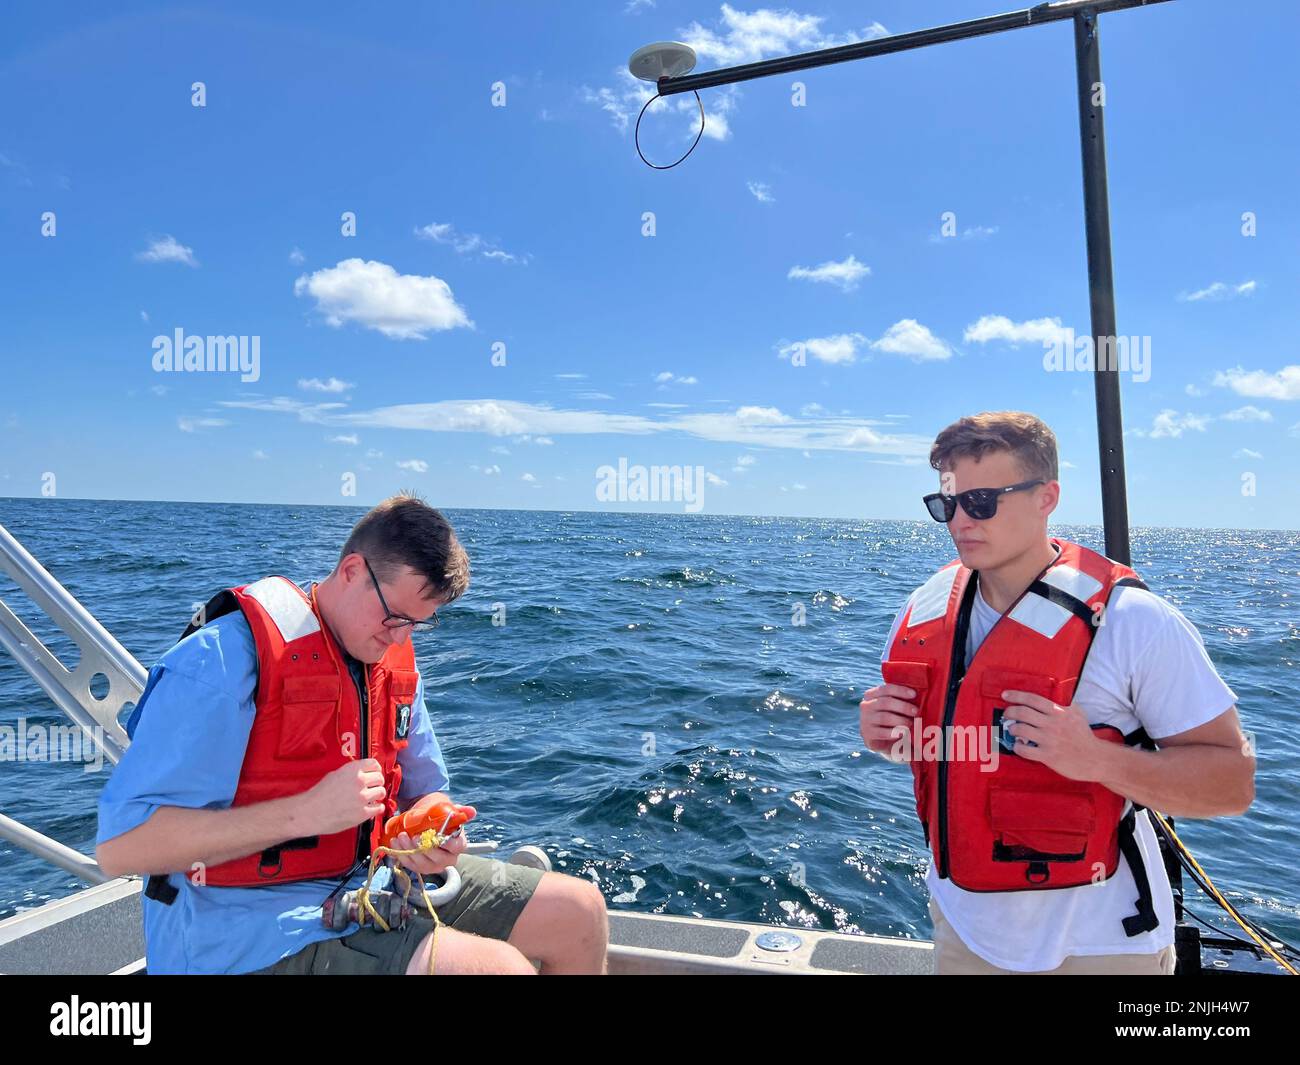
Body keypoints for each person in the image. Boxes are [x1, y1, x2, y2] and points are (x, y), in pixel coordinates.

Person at [96, 493, 608, 974]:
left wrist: (432, 829)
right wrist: (305, 813)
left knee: (578, 912)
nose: (401, 636)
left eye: (418, 623)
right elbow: (122, 849)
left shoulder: (388, 658)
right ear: (352, 571)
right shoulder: (219, 664)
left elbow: (425, 792)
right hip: (242, 935)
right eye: (395, 617)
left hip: (374, 885)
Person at [859, 411, 1254, 975]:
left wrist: (1095, 759)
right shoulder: (925, 609)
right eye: (948, 504)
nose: (960, 521)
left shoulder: (1134, 621)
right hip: (964, 931)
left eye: (982, 502)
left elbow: (1232, 784)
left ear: (1046, 498)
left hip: (1101, 947)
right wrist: (887, 736)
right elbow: (941, 751)